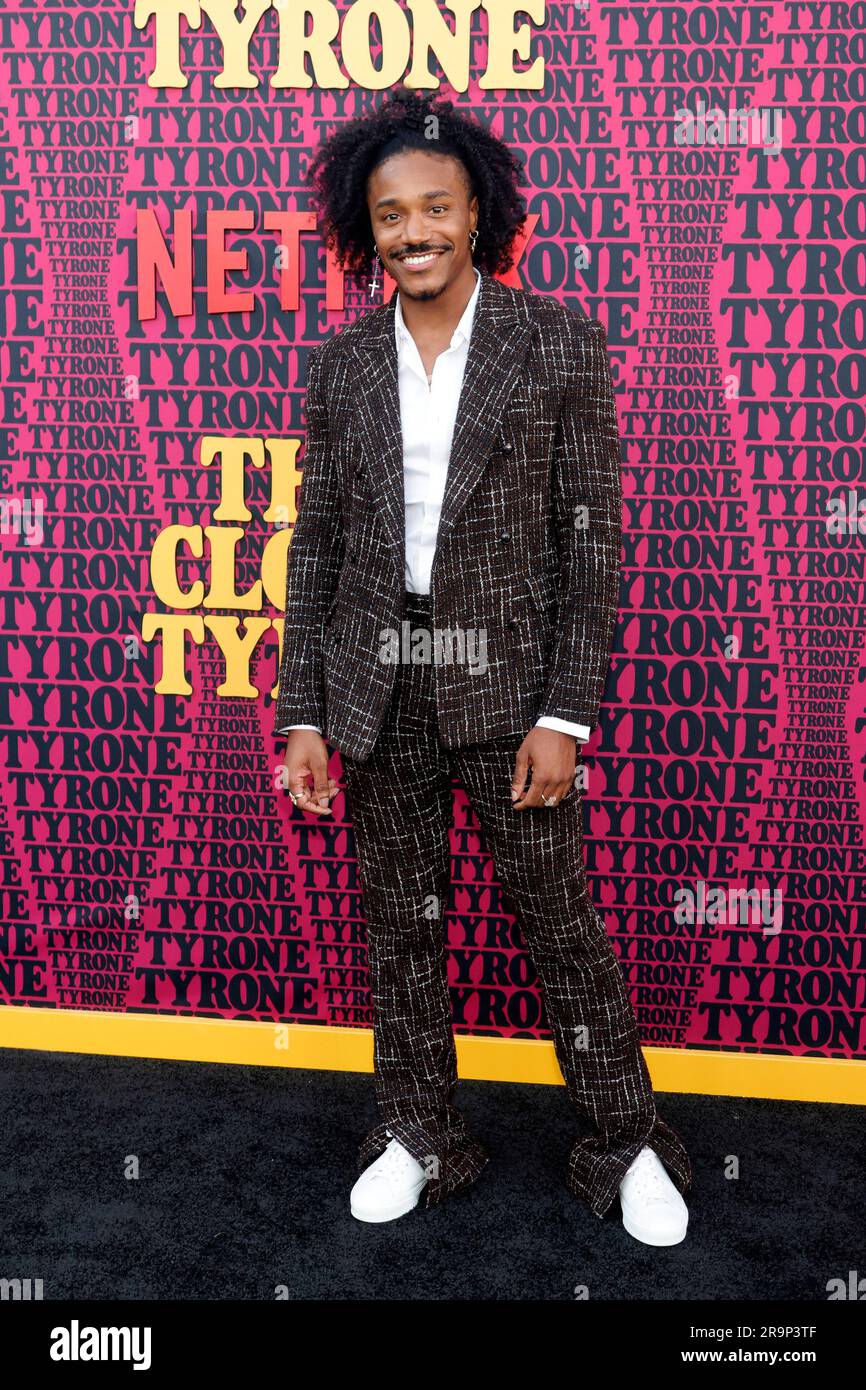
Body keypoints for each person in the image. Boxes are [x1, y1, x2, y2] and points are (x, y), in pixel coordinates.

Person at [274, 87, 692, 1246]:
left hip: (509, 691)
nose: (414, 231)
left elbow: (589, 542)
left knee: (560, 927)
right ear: (369, 229)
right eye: (391, 214)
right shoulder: (343, 361)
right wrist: (302, 707)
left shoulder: (556, 340)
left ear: (478, 213)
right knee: (397, 925)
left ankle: (624, 1140)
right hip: (378, 677)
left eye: (435, 208)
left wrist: (566, 711)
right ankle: (417, 1134)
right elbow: (318, 543)